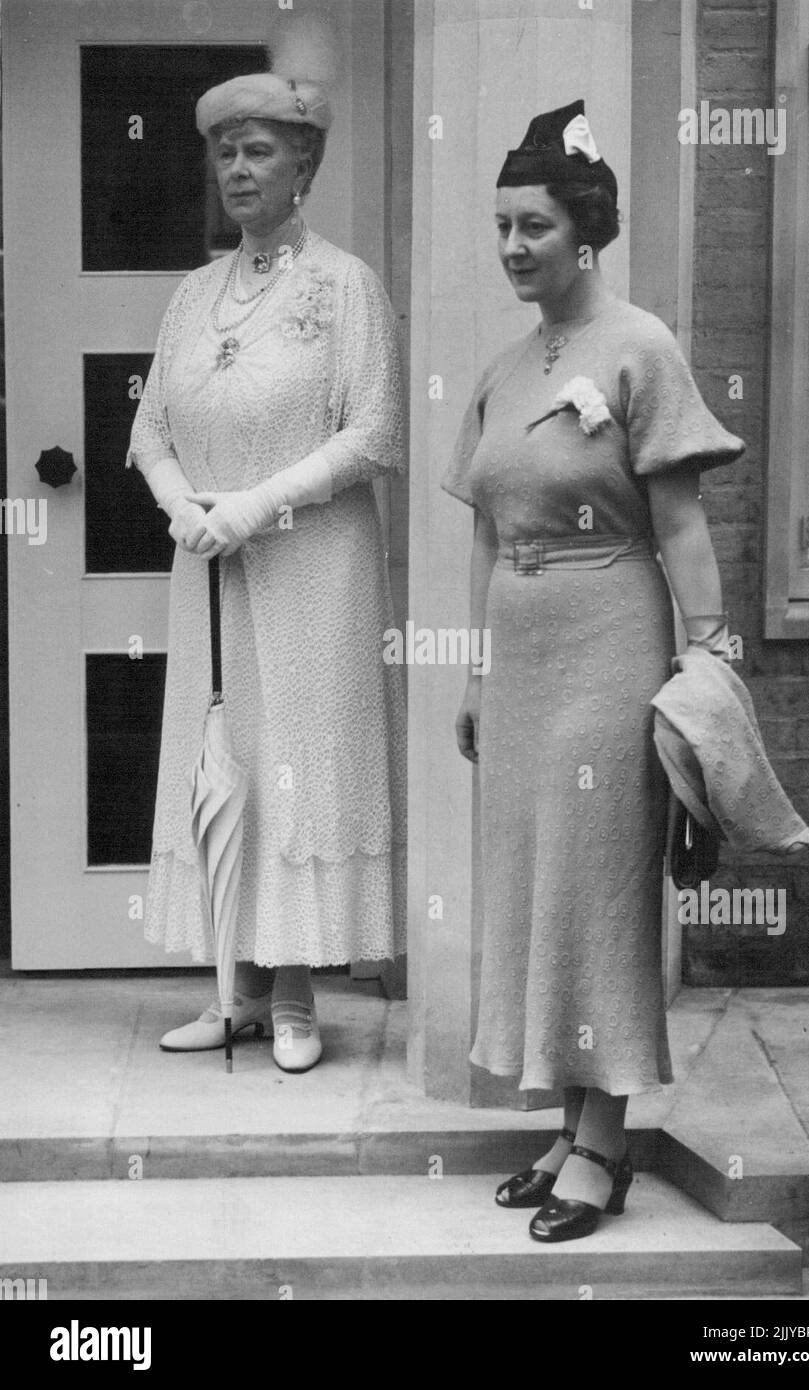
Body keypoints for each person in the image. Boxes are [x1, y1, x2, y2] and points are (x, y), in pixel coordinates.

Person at [442, 100, 744, 1242]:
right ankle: (568, 1124)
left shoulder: (638, 346)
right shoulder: (509, 365)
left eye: (534, 226)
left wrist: (705, 657)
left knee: (597, 888)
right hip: (518, 655)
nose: (514, 246)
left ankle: (606, 1140)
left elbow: (678, 525)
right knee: (537, 888)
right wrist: (473, 672)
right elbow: (479, 527)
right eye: (502, 226)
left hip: (609, 635)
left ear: (586, 232)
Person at [127, 15, 405, 1074]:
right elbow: (149, 427)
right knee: (222, 759)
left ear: (305, 166)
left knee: (292, 761)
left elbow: (373, 429)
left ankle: (294, 996)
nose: (237, 170)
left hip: (310, 569)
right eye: (223, 152)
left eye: (258, 152)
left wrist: (255, 504)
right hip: (208, 562)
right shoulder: (195, 294)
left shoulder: (344, 288)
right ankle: (233, 991)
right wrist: (179, 500)